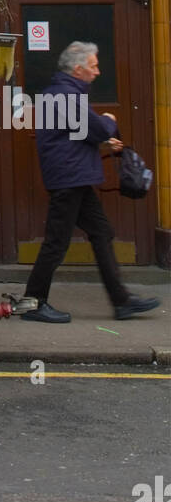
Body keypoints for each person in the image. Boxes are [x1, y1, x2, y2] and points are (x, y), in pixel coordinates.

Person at [21, 41, 160, 323]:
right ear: (78, 68)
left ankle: (121, 302)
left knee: (101, 233)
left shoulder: (64, 94)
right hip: (69, 179)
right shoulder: (64, 95)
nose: (97, 71)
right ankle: (33, 303)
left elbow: (76, 132)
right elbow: (94, 128)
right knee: (56, 243)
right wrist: (109, 121)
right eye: (94, 66)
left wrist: (102, 134)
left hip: (74, 178)